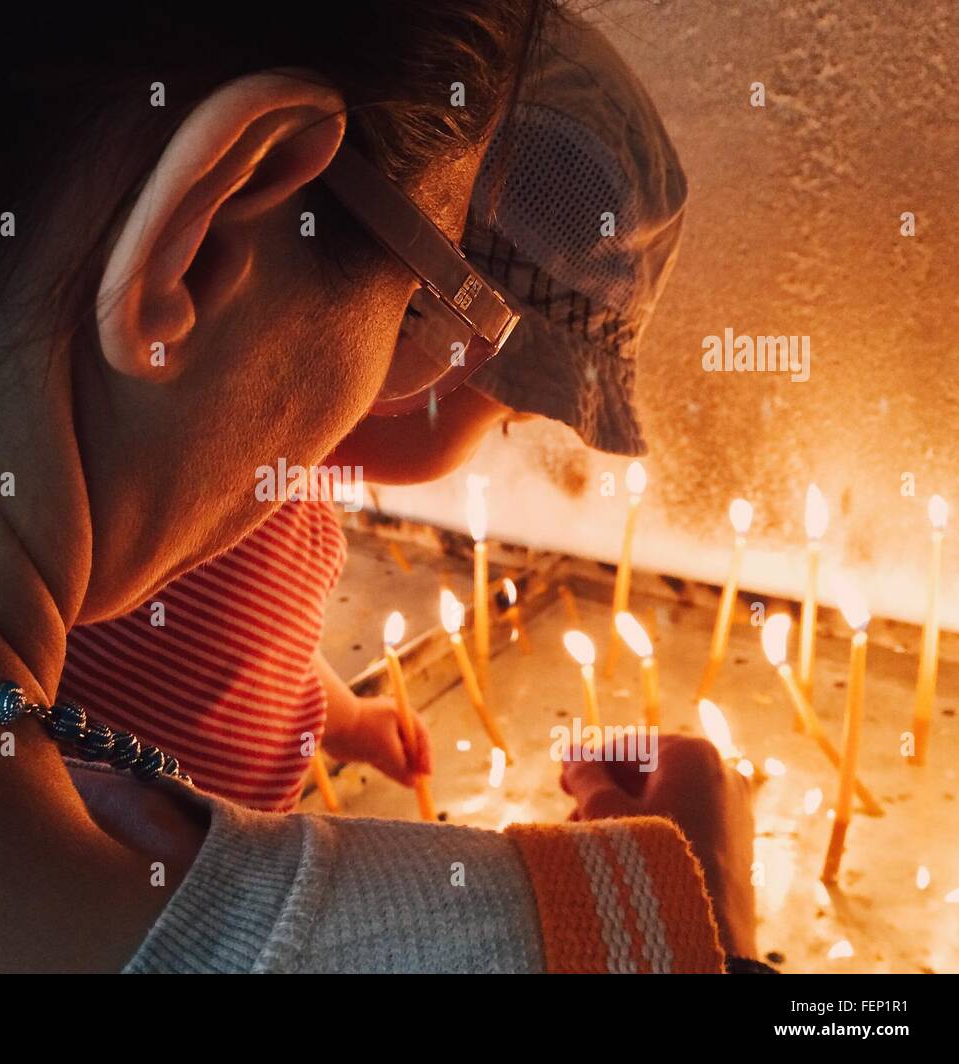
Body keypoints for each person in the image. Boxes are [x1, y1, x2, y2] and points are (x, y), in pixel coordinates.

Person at [0, 2, 756, 972]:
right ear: (203, 245)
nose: (388, 388)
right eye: (439, 308)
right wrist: (691, 920)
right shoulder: (540, 943)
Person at [58, 12, 688, 814]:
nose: (485, 446)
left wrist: (342, 717)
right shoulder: (167, 502)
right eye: (499, 416)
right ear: (411, 319)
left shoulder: (260, 492)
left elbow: (252, 662)